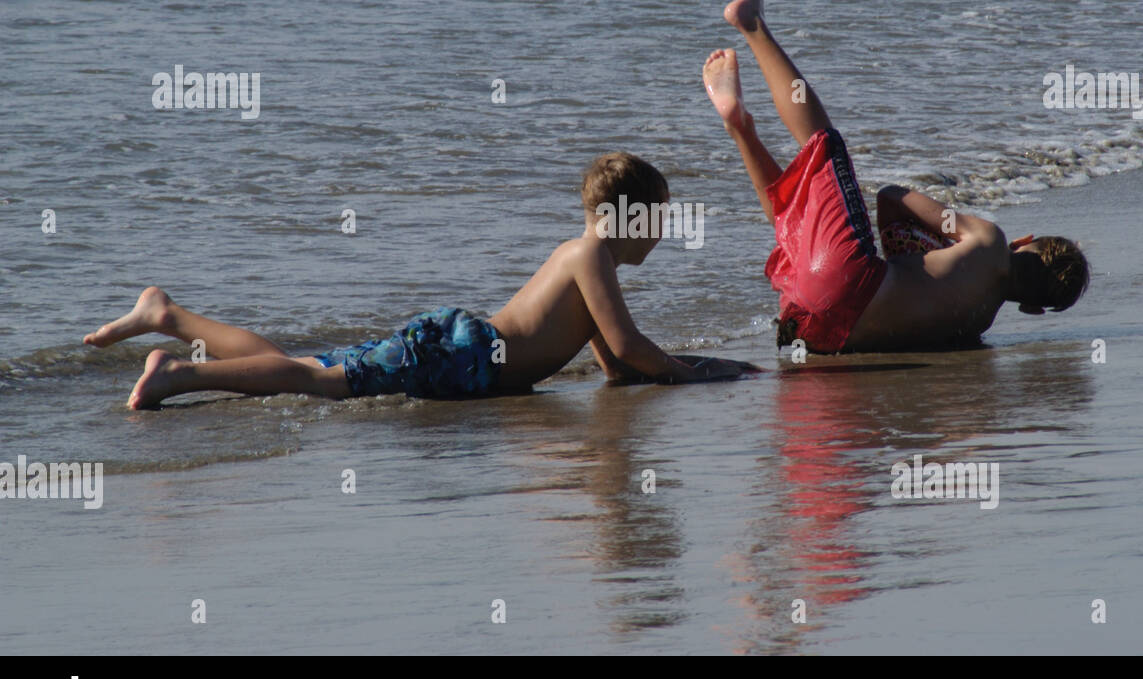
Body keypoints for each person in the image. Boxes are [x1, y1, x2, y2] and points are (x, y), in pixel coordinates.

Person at [85, 152, 742, 408]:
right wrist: (689, 375)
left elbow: (613, 362)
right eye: (658, 218)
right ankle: (178, 372)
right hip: (459, 354)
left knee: (307, 366)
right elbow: (627, 349)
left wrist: (678, 369)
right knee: (316, 380)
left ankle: (169, 316)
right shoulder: (588, 255)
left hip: (459, 353)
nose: (663, 232)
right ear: (627, 216)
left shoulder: (587, 258)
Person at [702, 0, 1088, 353]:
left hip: (851, 278)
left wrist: (918, 246)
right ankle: (741, 130)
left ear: (1022, 243)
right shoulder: (976, 325)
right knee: (797, 224)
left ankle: (751, 24)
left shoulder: (991, 241)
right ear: (1033, 309)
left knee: (823, 144)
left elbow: (891, 199)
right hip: (816, 330)